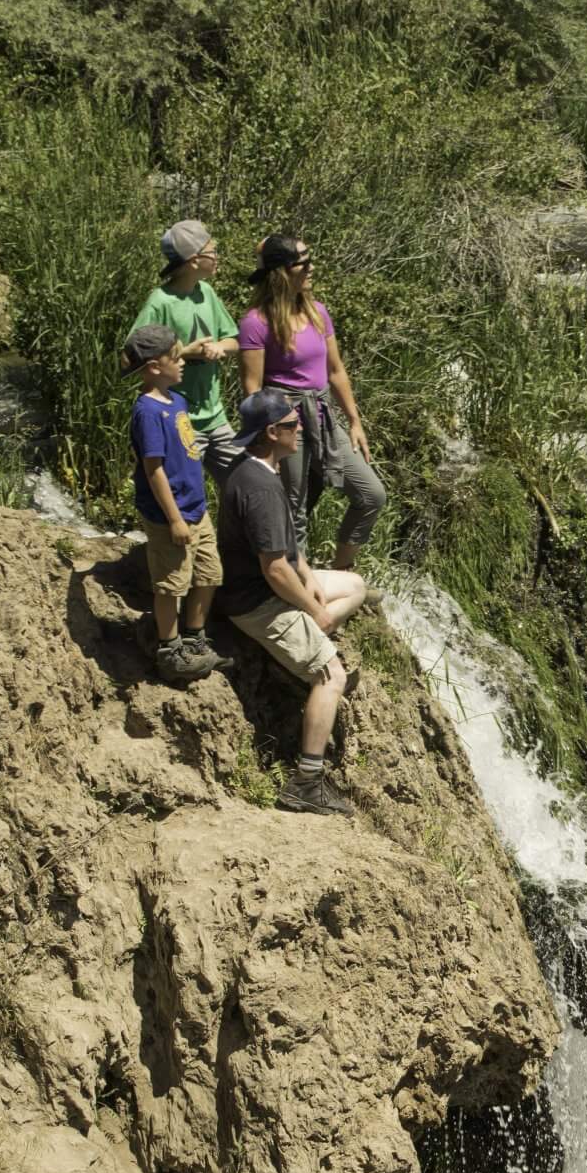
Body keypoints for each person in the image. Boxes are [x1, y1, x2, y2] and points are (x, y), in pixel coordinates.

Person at [213, 391, 376, 816]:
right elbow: (274, 570)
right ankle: (305, 783)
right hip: (259, 602)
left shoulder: (260, 468)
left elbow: (288, 555)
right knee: (332, 677)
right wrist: (313, 607)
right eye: (291, 424)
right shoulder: (261, 488)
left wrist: (309, 578)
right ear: (272, 433)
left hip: (273, 587)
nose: (299, 428)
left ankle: (308, 643)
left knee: (354, 586)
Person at [238, 232, 387, 572]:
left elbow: (335, 371)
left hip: (322, 415)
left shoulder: (318, 312)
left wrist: (354, 421)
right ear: (283, 271)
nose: (311, 267)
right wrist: (267, 439)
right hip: (285, 419)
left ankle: (341, 570)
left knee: (370, 495)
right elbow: (252, 389)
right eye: (304, 262)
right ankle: (298, 583)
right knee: (294, 506)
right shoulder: (256, 323)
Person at [121, 323, 221, 685]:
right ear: (154, 367)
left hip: (197, 507)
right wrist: (175, 519)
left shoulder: (176, 400)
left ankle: (195, 638)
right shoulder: (147, 412)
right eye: (175, 357)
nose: (182, 363)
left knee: (209, 573)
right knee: (171, 583)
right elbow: (154, 470)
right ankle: (169, 648)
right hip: (171, 515)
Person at [130, 220, 243, 475]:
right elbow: (133, 358)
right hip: (181, 419)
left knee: (245, 483)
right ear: (194, 260)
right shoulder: (160, 302)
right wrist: (184, 353)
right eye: (212, 251)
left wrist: (219, 347)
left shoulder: (207, 293)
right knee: (184, 490)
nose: (217, 257)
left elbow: (234, 341)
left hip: (216, 417)